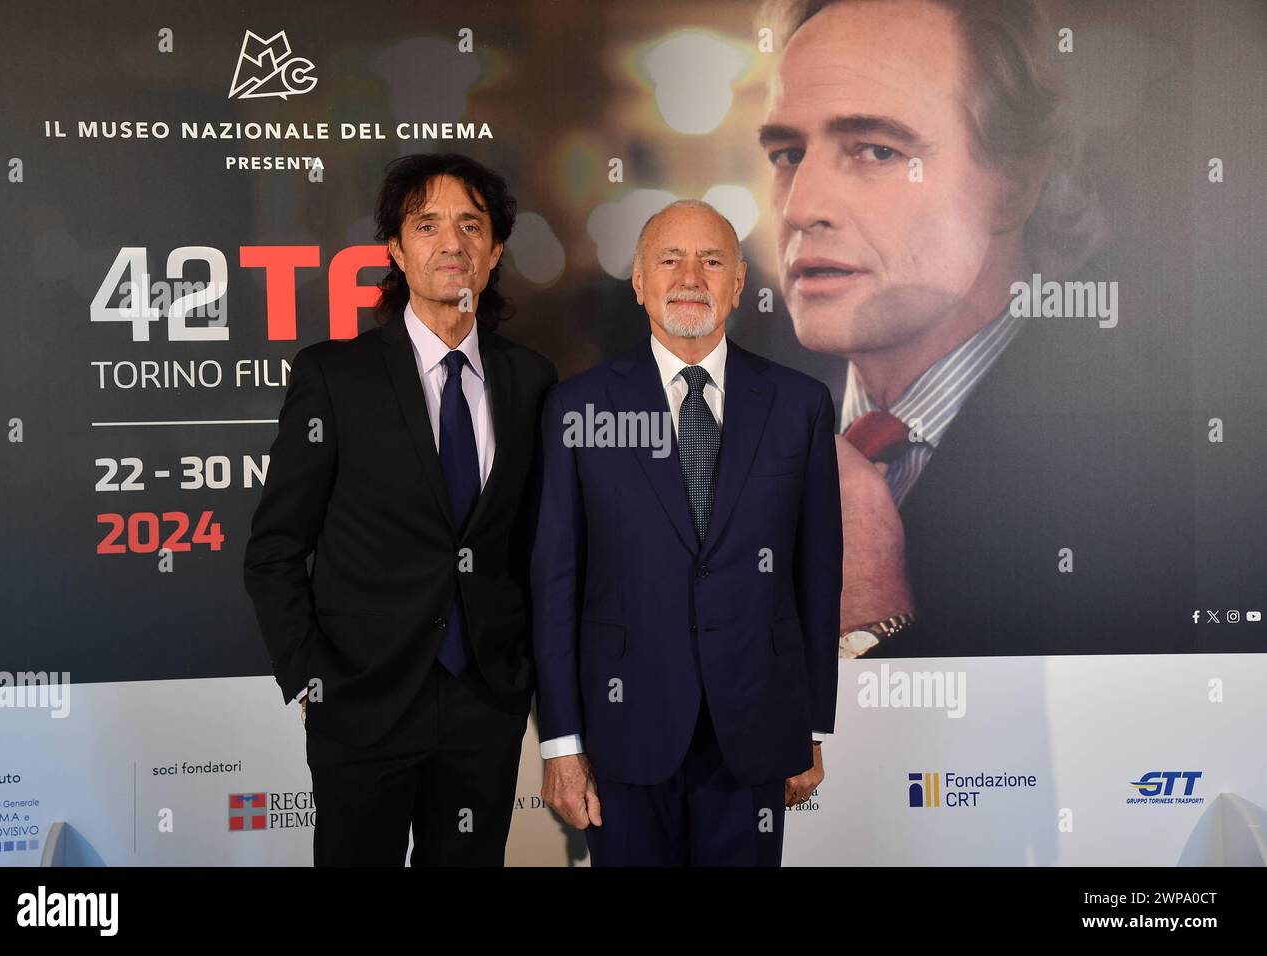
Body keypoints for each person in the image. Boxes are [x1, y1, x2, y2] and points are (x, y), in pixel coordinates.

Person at [758, 0, 1200, 657]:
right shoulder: (752, 438)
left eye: (878, 150)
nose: (801, 206)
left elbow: (1127, 747)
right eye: (789, 153)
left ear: (1015, 184)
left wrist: (871, 626)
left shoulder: (1163, 475)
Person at [243, 153, 557, 865]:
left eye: (472, 225)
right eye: (428, 224)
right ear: (395, 249)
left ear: (497, 248)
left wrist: (523, 673)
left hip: (485, 706)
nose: (453, 244)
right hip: (362, 704)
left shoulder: (532, 380)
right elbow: (274, 550)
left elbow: (539, 548)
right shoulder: (333, 378)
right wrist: (313, 682)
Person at [531, 199, 842, 866]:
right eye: (669, 259)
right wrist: (560, 744)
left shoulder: (800, 405)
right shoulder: (578, 407)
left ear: (737, 285)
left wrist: (811, 724)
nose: (690, 276)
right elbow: (554, 584)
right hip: (622, 731)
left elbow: (817, 574)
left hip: (756, 730)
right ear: (640, 282)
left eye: (711, 260)